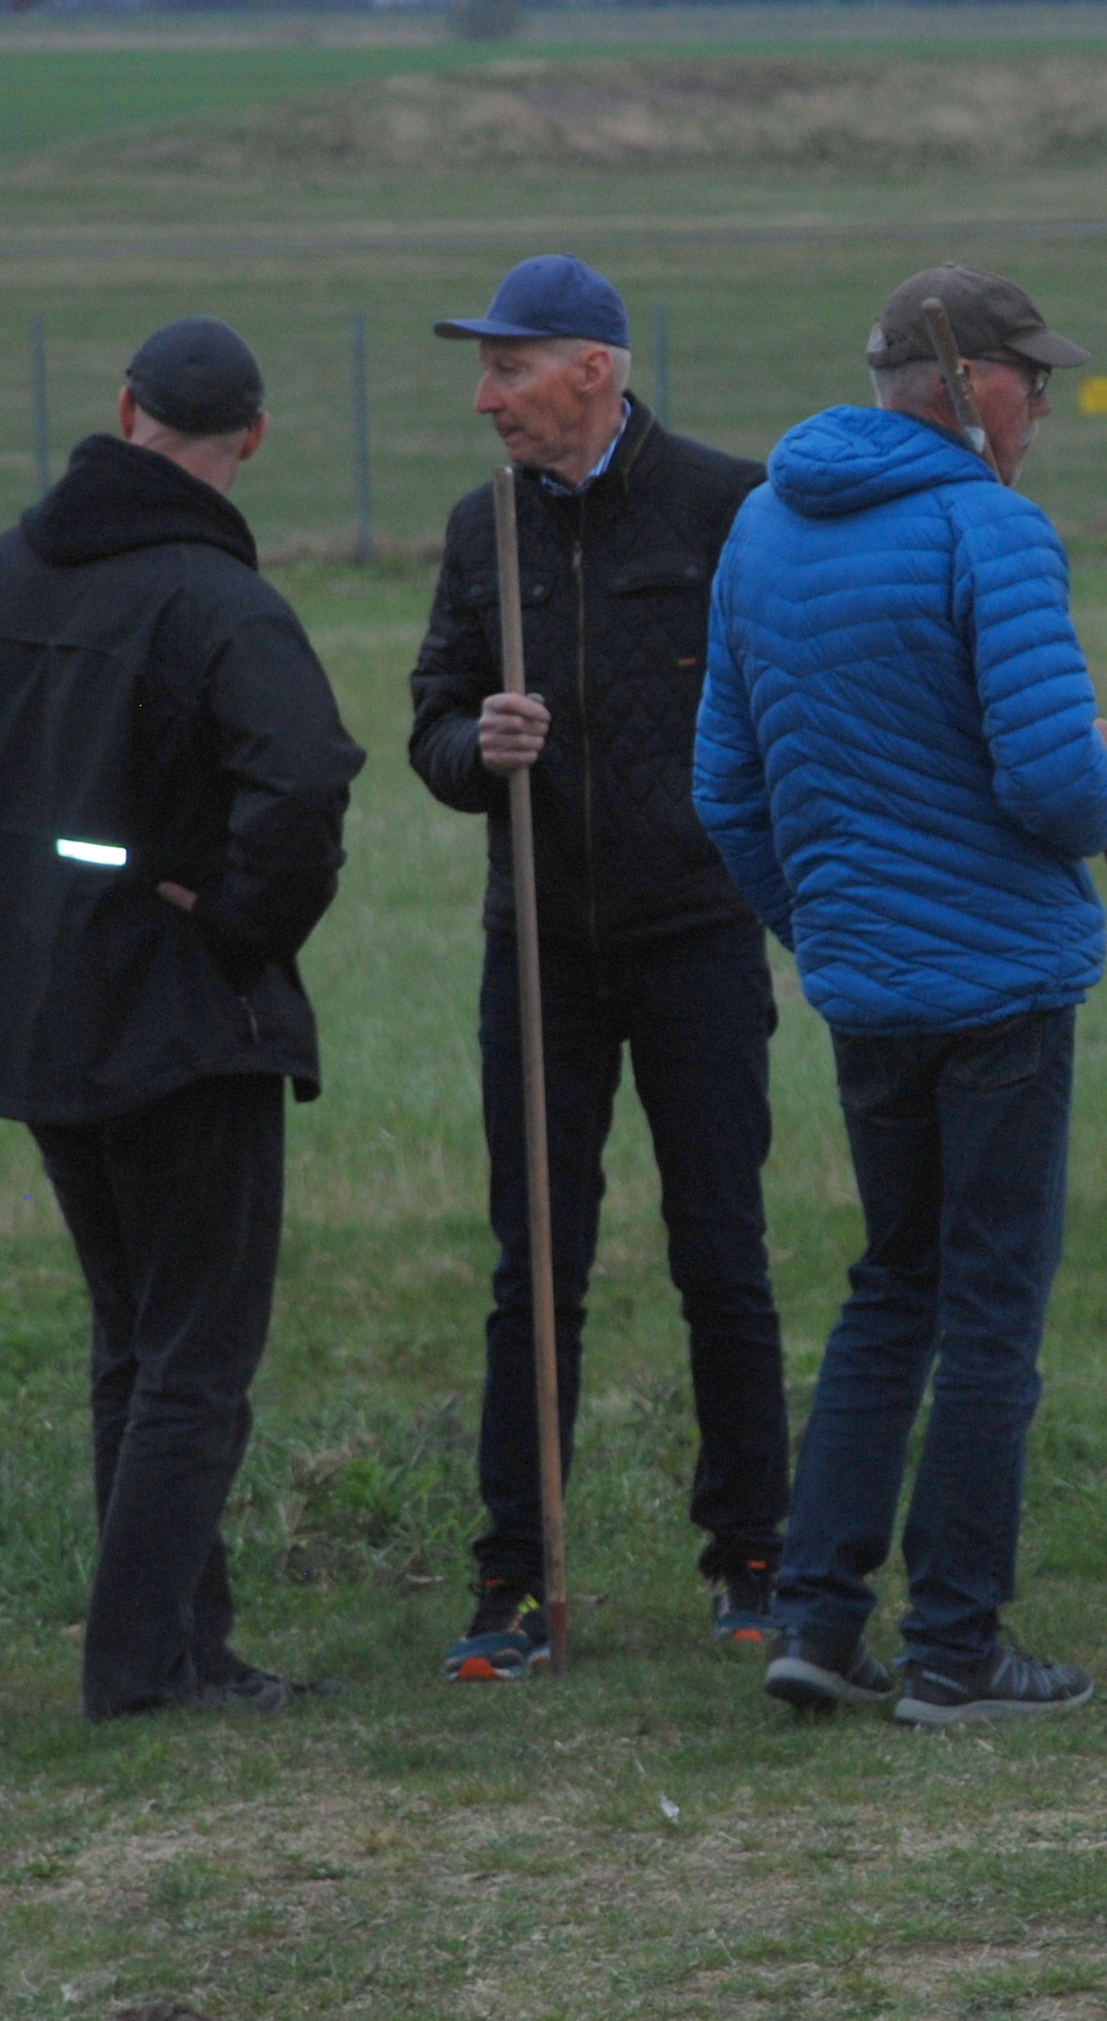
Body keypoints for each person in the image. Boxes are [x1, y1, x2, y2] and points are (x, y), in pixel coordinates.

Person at [0, 316, 367, 1721]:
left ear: (123, 409)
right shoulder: (217, 604)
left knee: (132, 1341)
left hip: (36, 1012)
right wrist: (241, 929)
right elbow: (305, 784)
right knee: (194, 1356)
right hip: (181, 1022)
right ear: (248, 438)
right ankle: (140, 1668)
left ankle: (186, 1647)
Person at [695, 264, 1107, 1727]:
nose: (1046, 410)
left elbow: (728, 789)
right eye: (1035, 381)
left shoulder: (761, 524)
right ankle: (954, 1647)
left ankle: (815, 1619)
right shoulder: (986, 527)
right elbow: (1055, 785)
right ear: (969, 388)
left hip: (869, 991)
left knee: (892, 1291)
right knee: (990, 1306)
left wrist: (828, 929)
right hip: (1001, 984)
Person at [409, 254, 790, 1680]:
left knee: (722, 1257)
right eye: (483, 368)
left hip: (696, 937)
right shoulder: (480, 528)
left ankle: (755, 1556)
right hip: (538, 954)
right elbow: (432, 724)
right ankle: (515, 1575)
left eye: (509, 368)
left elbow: (787, 705)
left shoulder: (726, 508)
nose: (484, 396)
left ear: (595, 372)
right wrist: (474, 750)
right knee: (536, 1271)